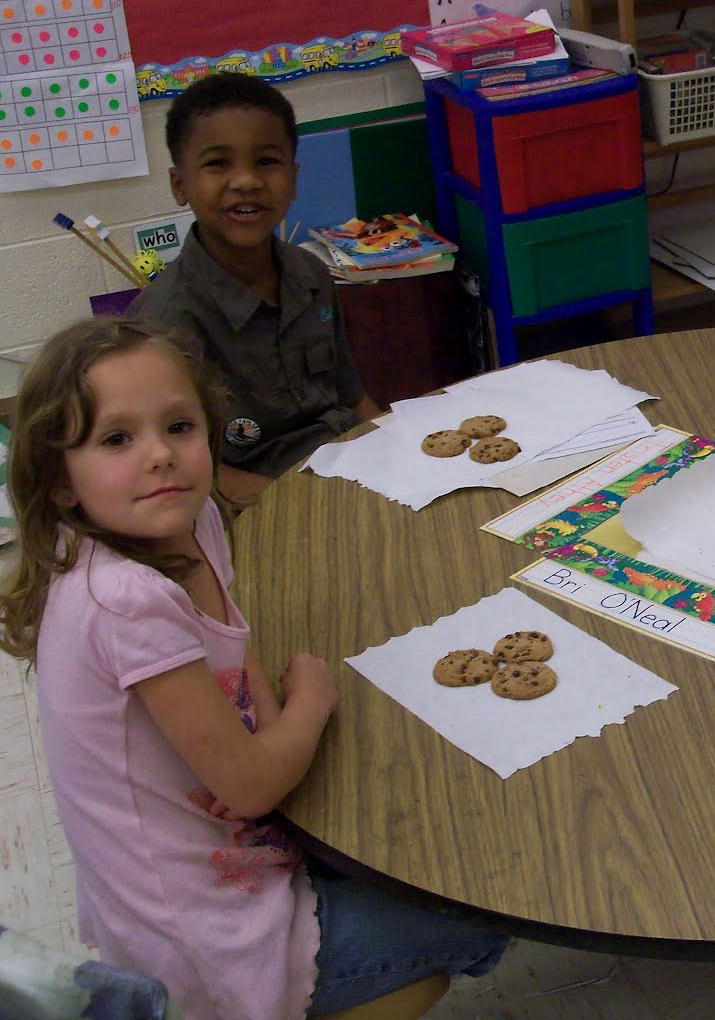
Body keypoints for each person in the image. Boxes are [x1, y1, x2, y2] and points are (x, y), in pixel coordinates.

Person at [0, 317, 507, 1020]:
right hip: (204, 936)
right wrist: (310, 704)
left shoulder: (193, 520)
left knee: (410, 829)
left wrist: (270, 725)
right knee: (481, 913)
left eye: (179, 427)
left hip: (222, 852)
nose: (161, 455)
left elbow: (234, 657)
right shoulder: (123, 600)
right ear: (59, 481)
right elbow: (251, 785)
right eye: (117, 439)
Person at [130, 73, 380, 510]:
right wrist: (309, 506)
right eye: (218, 164)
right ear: (180, 185)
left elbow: (354, 400)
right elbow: (182, 469)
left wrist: (405, 451)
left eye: (266, 161)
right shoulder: (163, 323)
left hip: (352, 470)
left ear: (294, 178)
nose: (246, 181)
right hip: (259, 505)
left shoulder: (311, 274)